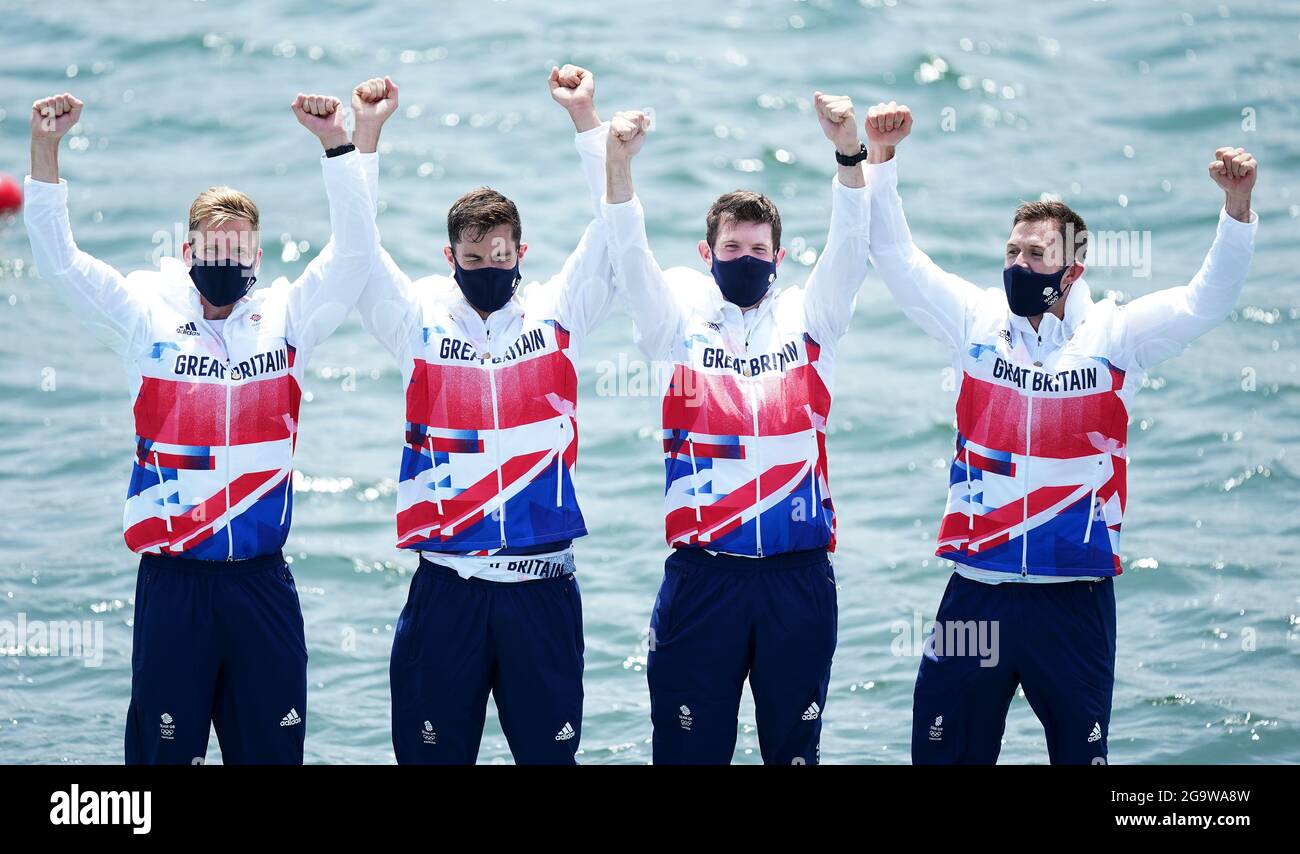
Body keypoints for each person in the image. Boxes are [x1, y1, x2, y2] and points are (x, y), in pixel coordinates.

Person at [861, 101, 1258, 764]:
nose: (1017, 262)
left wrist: (1236, 209)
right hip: (976, 596)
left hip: (1072, 602)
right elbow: (896, 257)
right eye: (1011, 249)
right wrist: (881, 159)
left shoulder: (1116, 337)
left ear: (1072, 269)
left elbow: (1204, 301)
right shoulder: (975, 322)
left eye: (1035, 253)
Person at [23, 80, 392, 764]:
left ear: (257, 258)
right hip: (175, 587)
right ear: (189, 255)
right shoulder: (145, 320)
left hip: (261, 583)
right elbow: (59, 263)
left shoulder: (287, 319)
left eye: (239, 250)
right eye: (212, 251)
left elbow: (355, 254)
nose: (226, 261)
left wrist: (339, 144)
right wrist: (47, 151)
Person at [299, 65, 612, 764]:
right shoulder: (416, 323)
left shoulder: (559, 316)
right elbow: (356, 252)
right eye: (474, 258)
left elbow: (612, 238)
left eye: (502, 256)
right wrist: (357, 142)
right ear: (450, 258)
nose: (489, 269)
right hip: (448, 594)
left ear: (521, 253)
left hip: (543, 593)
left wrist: (586, 122)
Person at [601, 94, 872, 764]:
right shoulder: (675, 331)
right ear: (707, 252)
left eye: (758, 248)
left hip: (798, 580)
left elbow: (851, 249)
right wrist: (617, 162)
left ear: (779, 258)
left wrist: (848, 154)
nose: (745, 258)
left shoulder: (814, 323)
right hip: (703, 579)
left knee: (795, 756)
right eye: (732, 247)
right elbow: (629, 256)